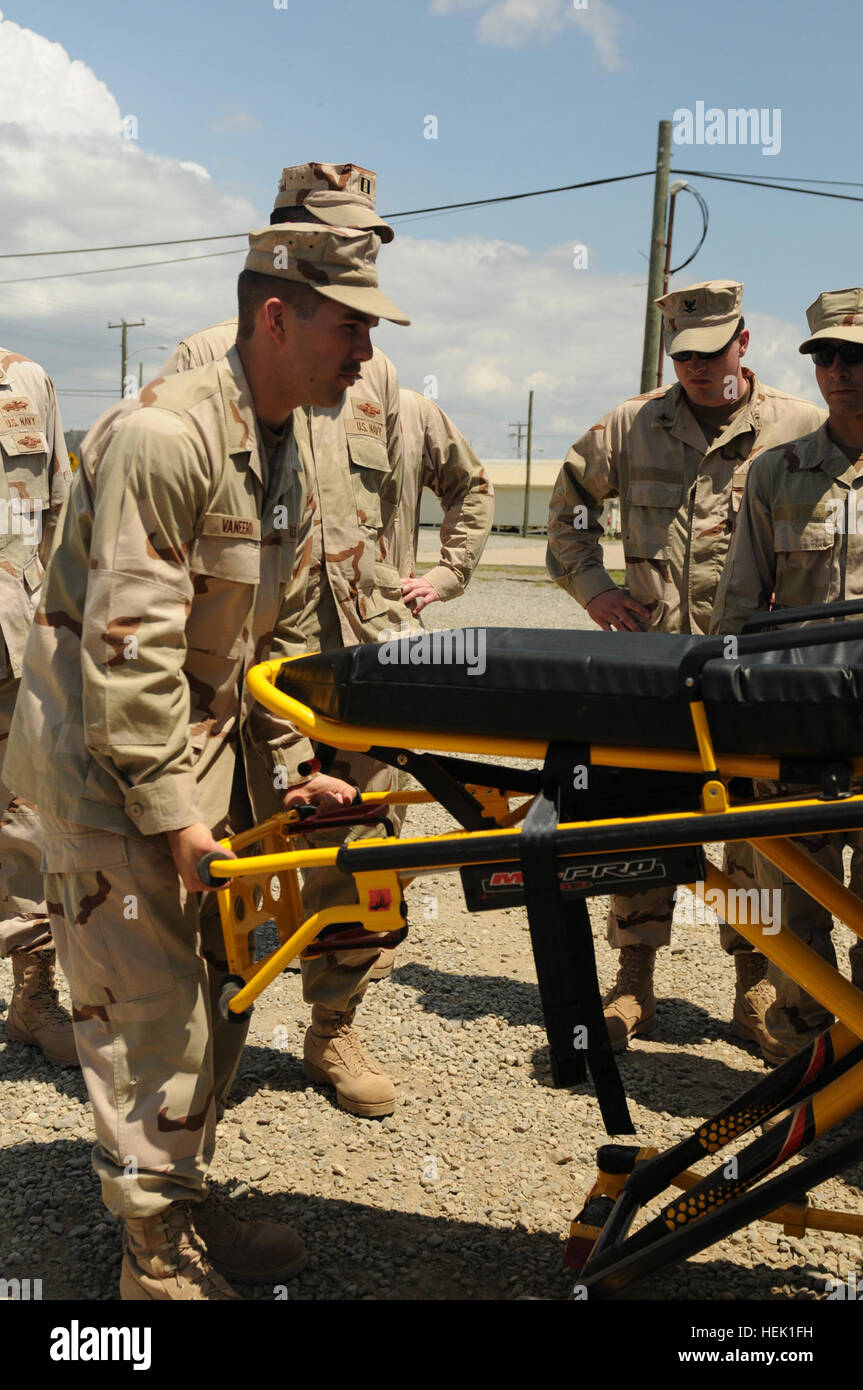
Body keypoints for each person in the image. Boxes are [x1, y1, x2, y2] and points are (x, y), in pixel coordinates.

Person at [3, 221, 409, 1299]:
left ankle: (176, 1201)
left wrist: (294, 767)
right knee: (150, 1019)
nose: (363, 353)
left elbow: (269, 641)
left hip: (204, 770)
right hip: (110, 777)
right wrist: (177, 819)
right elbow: (128, 656)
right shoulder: (161, 438)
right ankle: (151, 1262)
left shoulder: (284, 445)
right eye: (348, 326)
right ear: (275, 318)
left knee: (223, 997)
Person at [160, 163, 419, 1119]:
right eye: (342, 237)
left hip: (343, 668)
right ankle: (187, 1092)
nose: (361, 254)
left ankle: (332, 1023)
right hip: (225, 688)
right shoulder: (202, 364)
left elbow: (443, 491)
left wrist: (436, 579)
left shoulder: (376, 372)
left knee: (358, 857)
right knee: (217, 882)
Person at [547, 280, 825, 1051]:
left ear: (743, 343)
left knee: (754, 834)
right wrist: (596, 589)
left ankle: (755, 985)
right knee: (642, 818)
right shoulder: (630, 425)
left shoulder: (798, 429)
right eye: (682, 356)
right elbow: (569, 512)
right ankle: (633, 983)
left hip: (753, 675)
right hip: (653, 671)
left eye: (710, 352)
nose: (696, 368)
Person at [712, 287, 863, 1064]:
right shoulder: (774, 474)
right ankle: (811, 1057)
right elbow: (738, 608)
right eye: (825, 356)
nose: (839, 371)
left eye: (855, 356)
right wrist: (730, 727)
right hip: (796, 729)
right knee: (791, 904)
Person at [0, 346, 73, 1065]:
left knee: (28, 825)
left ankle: (33, 998)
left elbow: (56, 515)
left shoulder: (26, 380)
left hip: (12, 643)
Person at [391, 387, 494, 616]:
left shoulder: (410, 411)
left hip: (384, 621)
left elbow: (472, 487)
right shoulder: (295, 406)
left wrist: (448, 574)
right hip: (297, 627)